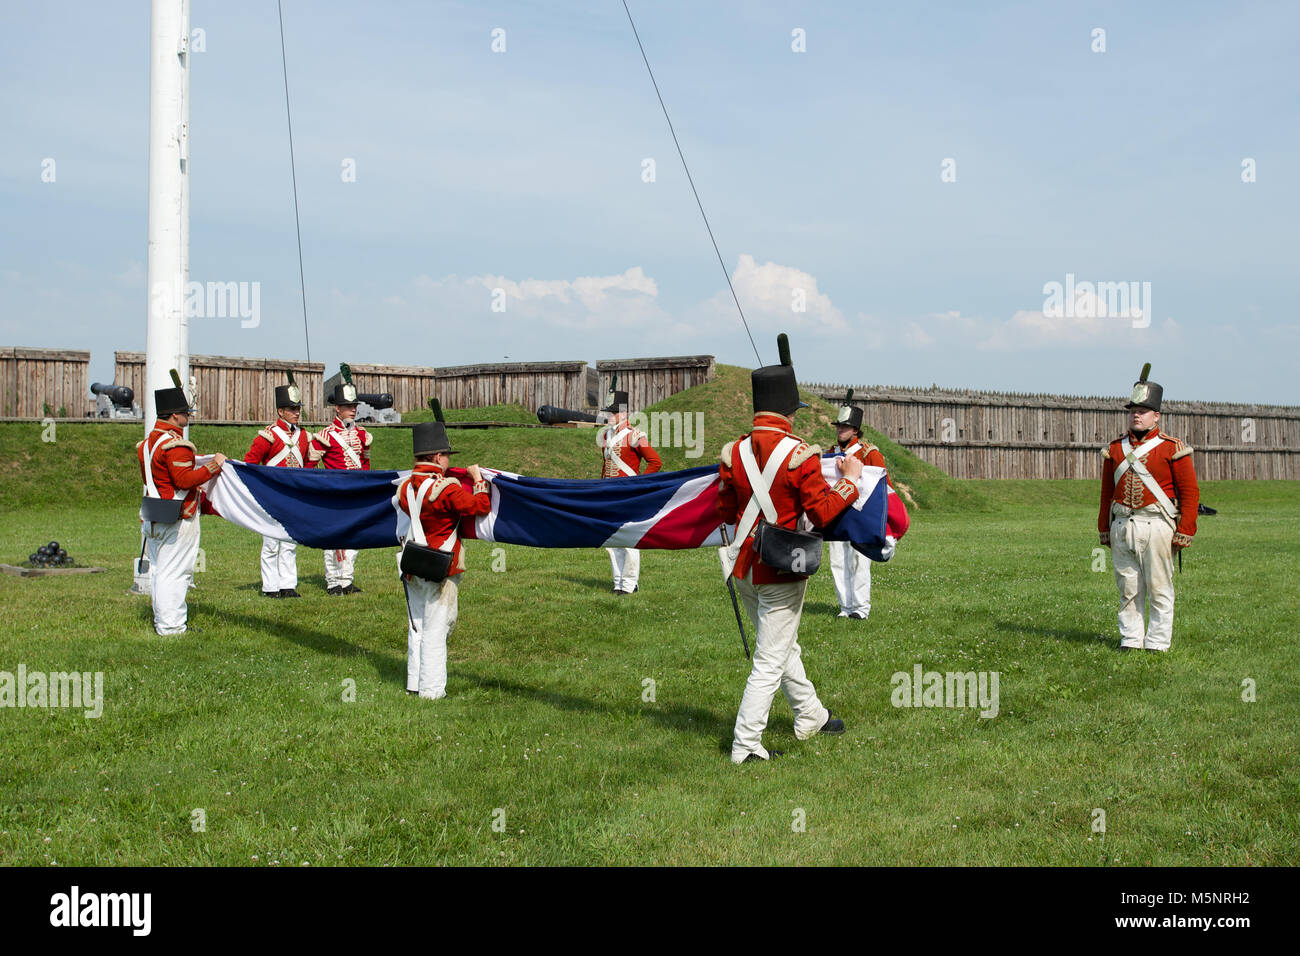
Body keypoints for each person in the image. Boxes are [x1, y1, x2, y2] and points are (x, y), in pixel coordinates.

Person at [717, 334, 863, 764]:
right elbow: (821, 514)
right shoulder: (801, 455)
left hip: (740, 568)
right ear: (788, 412)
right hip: (781, 568)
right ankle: (745, 745)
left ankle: (810, 716)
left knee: (782, 645)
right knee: (769, 658)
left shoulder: (733, 452)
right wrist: (850, 481)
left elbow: (726, 511)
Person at [1098, 363, 1199, 652]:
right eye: (1132, 411)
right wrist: (1104, 528)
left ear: (1156, 415)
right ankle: (1130, 639)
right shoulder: (1115, 448)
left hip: (1157, 525)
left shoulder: (1172, 447)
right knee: (1128, 588)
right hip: (1122, 525)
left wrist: (1186, 530)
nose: (1136, 415)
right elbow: (1107, 492)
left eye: (1142, 411)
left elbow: (1190, 493)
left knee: (1158, 587)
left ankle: (1156, 642)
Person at [396, 421, 492, 700]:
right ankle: (432, 690)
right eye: (447, 455)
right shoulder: (446, 488)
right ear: (438, 457)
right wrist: (477, 480)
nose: (450, 461)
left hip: (413, 565)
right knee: (438, 628)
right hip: (440, 566)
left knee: (418, 627)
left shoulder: (404, 489)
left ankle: (414, 682)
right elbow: (480, 507)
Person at [137, 384, 227, 635]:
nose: (188, 418)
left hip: (153, 512)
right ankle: (171, 626)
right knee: (175, 573)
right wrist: (214, 466)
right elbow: (184, 480)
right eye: (185, 413)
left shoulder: (146, 444)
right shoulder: (177, 445)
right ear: (175, 415)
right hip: (178, 515)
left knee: (160, 570)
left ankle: (163, 621)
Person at [244, 378, 318, 598]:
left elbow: (306, 467)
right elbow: (250, 464)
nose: (296, 413)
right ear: (280, 411)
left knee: (289, 541)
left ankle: (288, 584)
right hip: (272, 495)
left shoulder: (304, 436)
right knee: (271, 542)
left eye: (298, 409)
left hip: (293, 495)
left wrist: (313, 461)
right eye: (292, 409)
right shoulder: (268, 435)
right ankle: (270, 586)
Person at [828, 391, 892, 620]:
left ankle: (860, 608)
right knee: (837, 561)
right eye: (838, 426)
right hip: (836, 513)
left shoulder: (869, 453)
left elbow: (884, 487)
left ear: (855, 430)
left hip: (861, 513)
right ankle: (845, 606)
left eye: (845, 427)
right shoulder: (831, 453)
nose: (840, 430)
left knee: (859, 561)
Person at [313, 372, 373, 594]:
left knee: (353, 538)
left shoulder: (363, 435)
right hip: (334, 493)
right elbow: (311, 467)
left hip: (355, 493)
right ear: (337, 408)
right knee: (333, 539)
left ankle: (346, 579)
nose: (353, 410)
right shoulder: (325, 436)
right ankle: (332, 581)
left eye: (354, 405)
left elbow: (365, 465)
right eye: (348, 406)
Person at [597, 386, 661, 594]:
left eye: (612, 412)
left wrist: (640, 484)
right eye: (608, 412)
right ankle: (618, 582)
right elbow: (606, 466)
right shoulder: (606, 436)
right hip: (608, 493)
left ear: (623, 413)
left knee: (629, 541)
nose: (609, 416)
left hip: (628, 494)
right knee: (613, 540)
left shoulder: (636, 435)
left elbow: (655, 462)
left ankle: (629, 583)